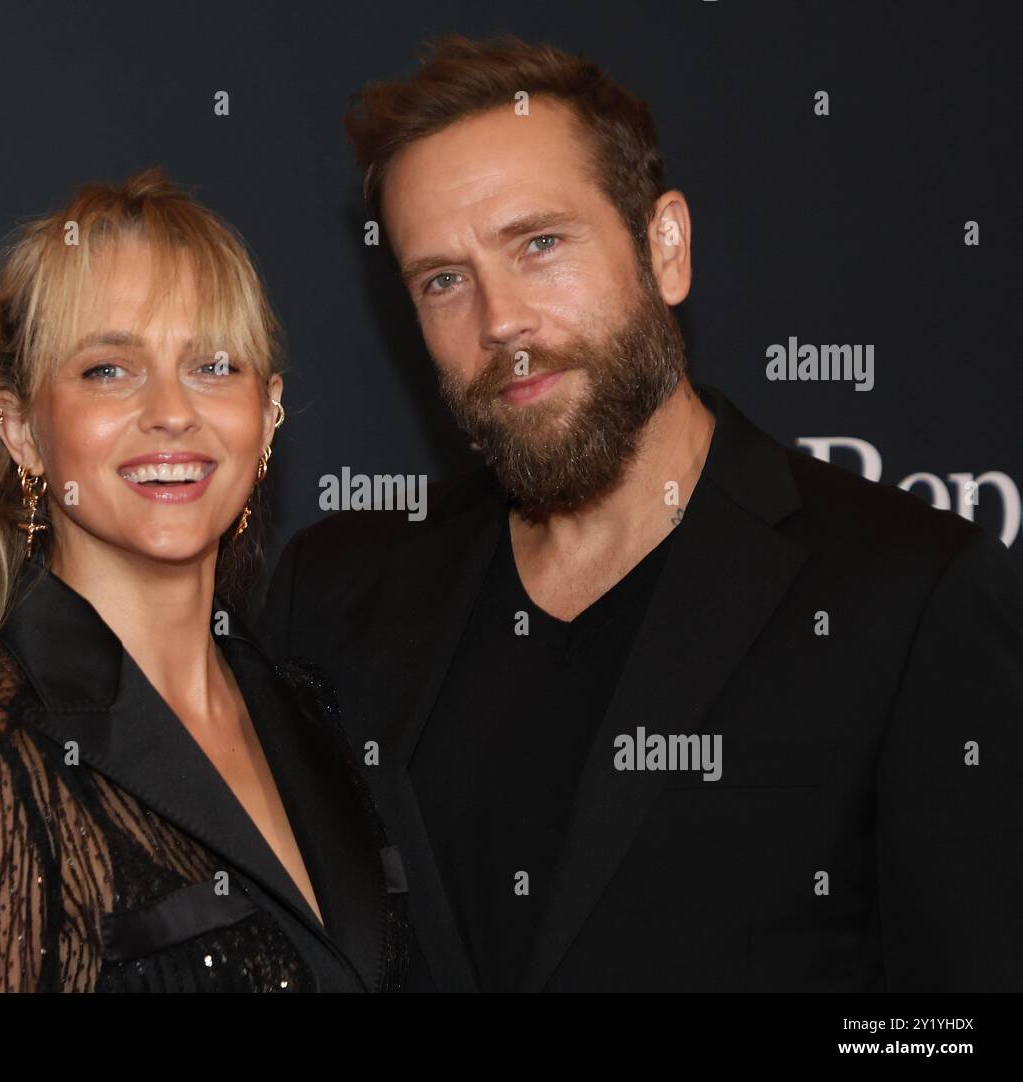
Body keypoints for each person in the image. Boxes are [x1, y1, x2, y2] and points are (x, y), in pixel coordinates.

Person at [259, 34, 1023, 991]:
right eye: (443, 280)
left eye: (540, 244)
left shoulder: (910, 594)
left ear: (666, 247)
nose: (500, 322)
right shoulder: (334, 590)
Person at [0, 168, 409, 993]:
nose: (172, 411)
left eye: (214, 365)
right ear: (22, 431)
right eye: (109, 368)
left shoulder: (308, 708)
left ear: (268, 414)